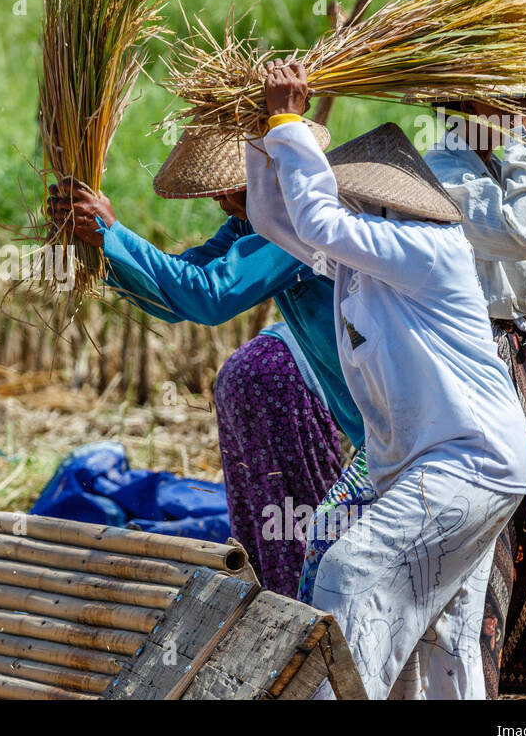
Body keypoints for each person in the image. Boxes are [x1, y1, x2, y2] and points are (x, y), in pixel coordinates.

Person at [246, 59, 526, 699]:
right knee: (442, 644)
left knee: (352, 574)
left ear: (386, 201)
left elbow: (320, 222)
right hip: (439, 466)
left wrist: (290, 121)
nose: (350, 208)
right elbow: (275, 223)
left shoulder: (430, 250)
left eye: (360, 199)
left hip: (472, 461)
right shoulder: (362, 265)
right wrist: (259, 130)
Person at [46, 123, 368, 599]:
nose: (222, 203)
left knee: (336, 560)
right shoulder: (252, 220)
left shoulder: (302, 220)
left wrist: (113, 232)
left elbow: (210, 297)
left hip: (394, 432)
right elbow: (181, 289)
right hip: (373, 432)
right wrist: (102, 248)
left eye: (231, 190)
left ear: (267, 173)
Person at [422, 82, 526, 697]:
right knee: (483, 523)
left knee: (508, 520)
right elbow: (525, 233)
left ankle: (506, 682)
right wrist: (520, 150)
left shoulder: (491, 166)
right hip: (474, 362)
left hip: (509, 354)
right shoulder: (445, 173)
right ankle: (467, 680)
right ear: (468, 103)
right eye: (512, 101)